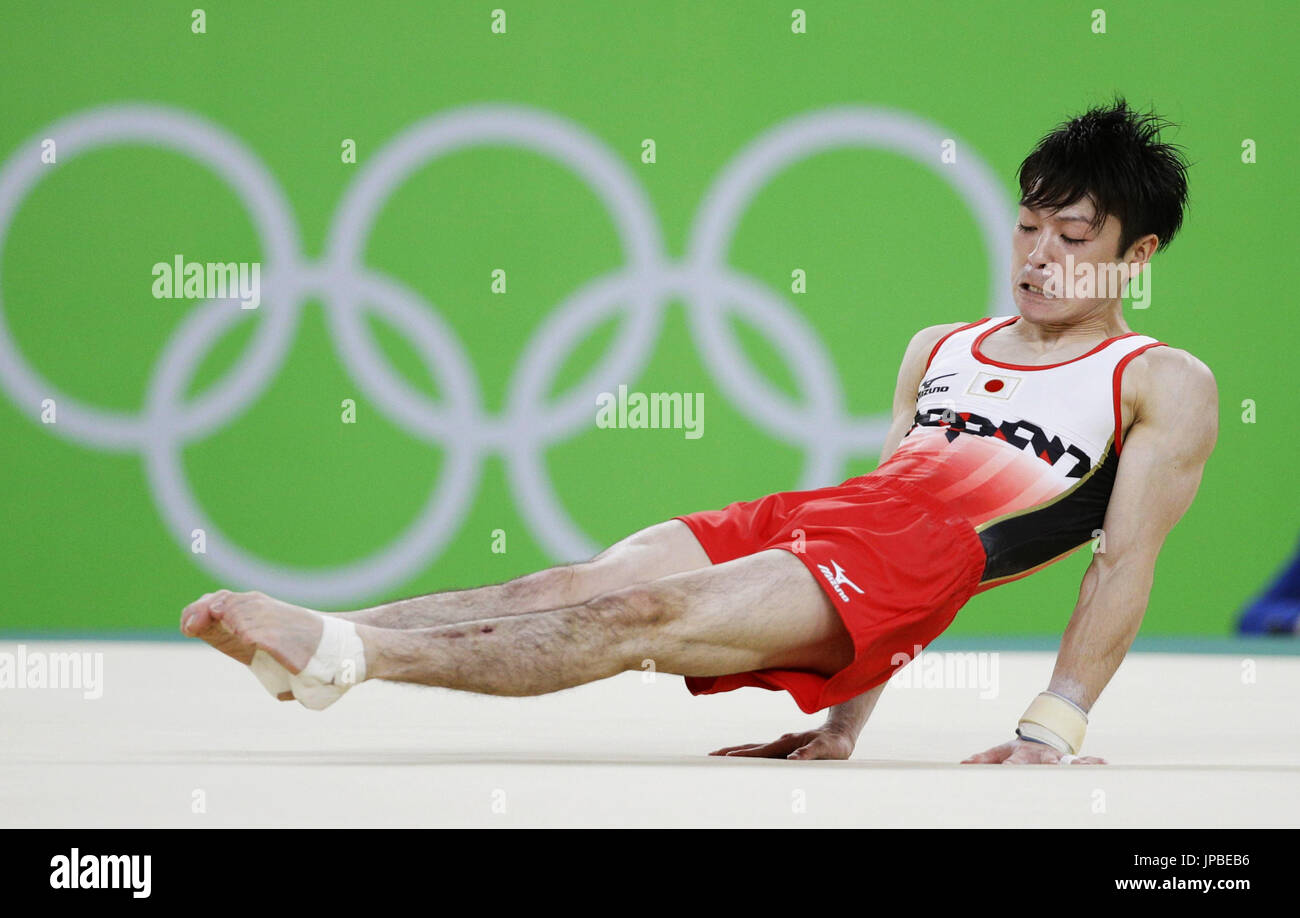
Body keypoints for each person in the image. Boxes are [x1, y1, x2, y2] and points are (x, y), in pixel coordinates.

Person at [181, 97, 1216, 765]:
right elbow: (877, 507)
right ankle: (338, 631)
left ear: (1136, 256)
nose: (1037, 254)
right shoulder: (939, 345)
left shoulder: (1158, 380)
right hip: (824, 522)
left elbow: (1119, 564)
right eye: (1026, 224)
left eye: (1071, 236)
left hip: (915, 560)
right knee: (569, 584)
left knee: (639, 614)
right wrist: (840, 718)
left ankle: (343, 657)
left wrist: (1050, 732)